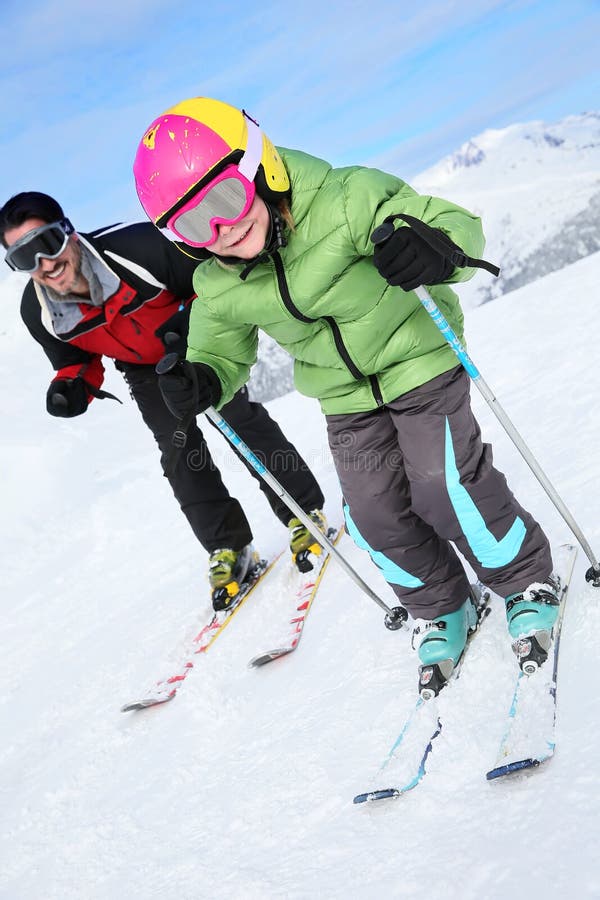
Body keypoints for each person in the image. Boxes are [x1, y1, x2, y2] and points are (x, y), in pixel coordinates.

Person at [132, 97, 559, 695]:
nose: (222, 231)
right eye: (193, 226)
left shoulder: (349, 197)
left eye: (224, 200)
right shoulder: (217, 280)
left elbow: (451, 222)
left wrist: (430, 244)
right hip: (344, 400)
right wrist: (202, 378)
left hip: (419, 362)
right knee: (370, 514)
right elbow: (220, 351)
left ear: (262, 168)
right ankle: (441, 604)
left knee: (442, 485)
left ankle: (523, 579)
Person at [0, 191, 326, 610]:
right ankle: (228, 547)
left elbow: (209, 279)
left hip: (198, 341)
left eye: (46, 244)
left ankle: (303, 512)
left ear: (68, 233)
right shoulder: (39, 312)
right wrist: (72, 385)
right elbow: (74, 358)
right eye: (25, 258)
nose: (44, 264)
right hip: (143, 369)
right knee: (178, 450)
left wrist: (185, 323)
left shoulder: (136, 249)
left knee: (239, 418)